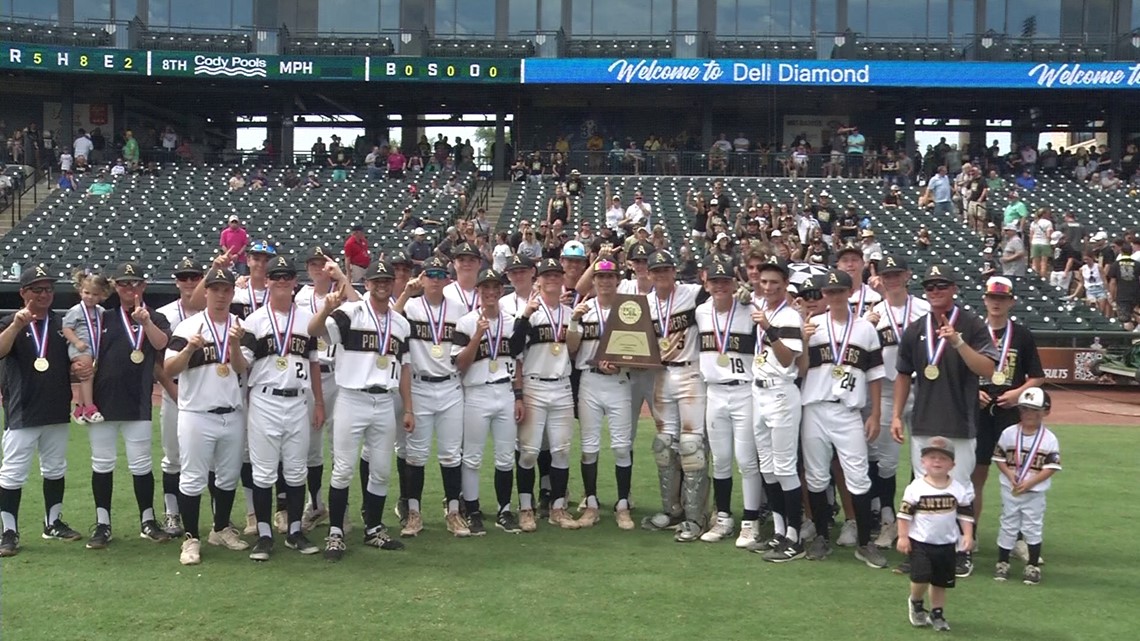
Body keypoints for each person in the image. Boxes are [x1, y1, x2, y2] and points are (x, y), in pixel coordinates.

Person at [891, 264, 998, 578]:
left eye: (941, 285)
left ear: (954, 288)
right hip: (923, 420)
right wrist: (897, 415)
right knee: (922, 487)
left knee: (960, 489)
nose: (935, 291)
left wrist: (958, 343)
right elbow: (901, 375)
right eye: (930, 287)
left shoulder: (972, 324)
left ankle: (962, 549)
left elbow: (988, 370)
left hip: (959, 422)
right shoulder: (915, 329)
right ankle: (918, 549)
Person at [308, 259, 410, 561]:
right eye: (376, 280)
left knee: (380, 469)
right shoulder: (349, 313)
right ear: (366, 285)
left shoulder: (400, 323)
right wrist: (326, 308)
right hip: (352, 397)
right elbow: (314, 331)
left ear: (392, 284)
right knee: (343, 469)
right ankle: (336, 532)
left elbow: (404, 368)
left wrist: (409, 409)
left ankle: (374, 528)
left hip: (384, 399)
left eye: (386, 280)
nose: (381, 285)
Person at [798, 269, 886, 568]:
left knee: (858, 475)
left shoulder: (865, 329)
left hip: (849, 411)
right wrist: (801, 340)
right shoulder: (812, 325)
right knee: (817, 475)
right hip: (815, 407)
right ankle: (822, 536)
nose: (834, 296)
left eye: (840, 291)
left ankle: (864, 542)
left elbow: (874, 374)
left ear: (850, 292)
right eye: (829, 292)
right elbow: (799, 370)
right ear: (823, 295)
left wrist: (875, 413)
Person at [238, 256, 323, 561]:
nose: (282, 281)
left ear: (294, 282)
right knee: (263, 472)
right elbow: (242, 365)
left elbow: (314, 363)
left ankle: (295, 531)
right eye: (277, 276)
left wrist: (319, 403)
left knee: (297, 470)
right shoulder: (254, 321)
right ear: (268, 281)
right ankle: (264, 534)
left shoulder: (307, 320)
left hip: (298, 399)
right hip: (264, 399)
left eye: (288, 276)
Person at [164, 268, 249, 565]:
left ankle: (220, 528)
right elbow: (170, 370)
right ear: (207, 292)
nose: (222, 295)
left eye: (227, 289)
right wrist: (189, 349)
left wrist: (236, 344)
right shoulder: (189, 326)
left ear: (232, 293)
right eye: (216, 289)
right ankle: (191, 538)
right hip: (196, 413)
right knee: (192, 479)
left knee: (227, 477)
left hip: (232, 412)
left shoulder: (240, 326)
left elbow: (241, 368)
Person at [0, 266, 87, 557]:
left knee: (55, 469)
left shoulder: (61, 324)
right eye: (37, 289)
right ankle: (8, 531)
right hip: (22, 411)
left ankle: (52, 523)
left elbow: (72, 362)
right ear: (23, 292)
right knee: (12, 474)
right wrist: (15, 325)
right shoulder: (9, 322)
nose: (44, 294)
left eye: (48, 289)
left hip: (55, 409)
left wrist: (80, 366)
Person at [85, 262, 172, 549]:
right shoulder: (103, 317)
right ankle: (102, 522)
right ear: (116, 287)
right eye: (123, 284)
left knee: (141, 465)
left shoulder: (156, 317)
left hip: (137, 402)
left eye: (134, 283)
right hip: (103, 402)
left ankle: (148, 520)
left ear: (143, 286)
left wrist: (145, 321)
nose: (129, 288)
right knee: (102, 464)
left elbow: (161, 345)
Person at [395, 256, 469, 538]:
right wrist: (405, 292)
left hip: (450, 385)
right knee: (415, 456)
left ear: (447, 279)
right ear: (421, 278)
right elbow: (391, 319)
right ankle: (413, 513)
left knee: (451, 454)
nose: (436, 280)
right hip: (420, 386)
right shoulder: (412, 306)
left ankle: (453, 512)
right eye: (430, 274)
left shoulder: (459, 308)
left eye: (440, 274)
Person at [642, 250, 711, 542]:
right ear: (649, 274)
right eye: (656, 271)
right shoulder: (643, 303)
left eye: (666, 270)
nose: (661, 276)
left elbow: (722, 293)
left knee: (692, 446)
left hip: (690, 372)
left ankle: (697, 517)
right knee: (663, 445)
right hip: (661, 375)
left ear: (674, 271)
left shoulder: (693, 293)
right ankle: (672, 509)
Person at [864, 255, 930, 551]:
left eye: (897, 274)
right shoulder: (873, 314)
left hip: (924, 387)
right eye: (887, 274)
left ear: (907, 275)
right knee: (886, 459)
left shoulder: (925, 310)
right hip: (889, 389)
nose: (892, 279)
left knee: (925, 455)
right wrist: (866, 327)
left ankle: (921, 514)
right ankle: (888, 515)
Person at [972, 277, 1045, 543]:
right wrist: (972, 392)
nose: (996, 303)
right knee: (976, 475)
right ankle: (971, 533)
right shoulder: (975, 331)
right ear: (985, 299)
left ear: (1011, 302)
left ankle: (1020, 537)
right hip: (979, 411)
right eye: (992, 298)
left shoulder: (1022, 334)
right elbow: (960, 372)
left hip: (1010, 414)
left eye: (1002, 299)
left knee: (1018, 475)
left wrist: (1017, 394)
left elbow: (1036, 377)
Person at [292, 246, 359, 532]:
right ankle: (316, 502)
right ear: (307, 268)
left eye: (323, 263)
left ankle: (340, 508)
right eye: (313, 263)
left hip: (338, 372)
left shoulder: (342, 293)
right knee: (312, 446)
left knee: (339, 445)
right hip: (311, 373)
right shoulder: (300, 296)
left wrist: (342, 275)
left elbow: (361, 308)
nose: (319, 268)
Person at [566, 258, 635, 530]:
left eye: (610, 277)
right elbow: (572, 348)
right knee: (589, 446)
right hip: (590, 381)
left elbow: (638, 348)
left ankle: (622, 504)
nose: (605, 282)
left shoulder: (628, 309)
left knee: (621, 445)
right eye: (600, 277)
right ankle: (591, 503)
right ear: (593, 281)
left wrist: (622, 363)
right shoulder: (584, 308)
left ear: (617, 280)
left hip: (619, 381)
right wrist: (573, 321)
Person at [694, 259, 759, 546]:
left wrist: (753, 294)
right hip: (714, 391)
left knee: (746, 461)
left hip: (744, 389)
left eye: (725, 281)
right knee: (720, 460)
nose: (720, 286)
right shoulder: (700, 312)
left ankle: (751, 521)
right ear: (706, 283)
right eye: (714, 281)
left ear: (734, 282)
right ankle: (723, 519)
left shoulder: (749, 309)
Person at [454, 268, 524, 534]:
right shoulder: (465, 322)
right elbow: (460, 364)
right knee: (472, 457)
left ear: (501, 290)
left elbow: (518, 362)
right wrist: (477, 337)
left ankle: (504, 510)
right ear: (478, 291)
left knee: (505, 457)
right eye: (486, 288)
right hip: (476, 392)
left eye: (495, 288)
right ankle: (472, 510)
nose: (491, 292)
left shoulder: (513, 321)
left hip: (505, 391)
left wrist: (518, 396)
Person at [509, 258, 575, 531]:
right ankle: (526, 507)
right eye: (547, 275)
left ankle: (558, 507)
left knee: (560, 451)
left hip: (561, 385)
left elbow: (576, 351)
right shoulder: (529, 313)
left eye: (556, 275)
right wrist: (524, 317)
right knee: (528, 453)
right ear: (539, 280)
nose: (552, 279)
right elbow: (513, 350)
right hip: (535, 385)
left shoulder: (571, 313)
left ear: (561, 279)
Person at [896, 437, 976, 632]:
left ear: (952, 464)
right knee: (920, 577)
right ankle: (915, 601)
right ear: (923, 462)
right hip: (921, 542)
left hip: (947, 543)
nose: (937, 462)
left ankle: (937, 613)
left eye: (943, 458)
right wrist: (903, 536)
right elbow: (904, 515)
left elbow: (965, 515)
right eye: (932, 457)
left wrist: (967, 535)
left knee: (941, 581)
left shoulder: (957, 489)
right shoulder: (916, 488)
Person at [153, 257, 205, 538]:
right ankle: (172, 513)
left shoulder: (212, 313)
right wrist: (172, 392)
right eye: (184, 277)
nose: (189, 282)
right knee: (173, 458)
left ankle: (218, 521)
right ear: (176, 281)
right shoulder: (164, 314)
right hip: (175, 391)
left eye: (194, 277)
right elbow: (157, 361)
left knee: (209, 460)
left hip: (204, 392)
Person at [991, 387, 1061, 586]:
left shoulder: (1049, 438)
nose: (1029, 415)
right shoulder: (1009, 433)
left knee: (1033, 526)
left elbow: (1051, 466)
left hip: (1035, 492)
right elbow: (999, 457)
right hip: (1010, 488)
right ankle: (1002, 562)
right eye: (1025, 410)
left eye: (1034, 411)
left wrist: (1031, 482)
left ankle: (1032, 565)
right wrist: (1009, 474)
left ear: (1045, 412)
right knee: (1008, 524)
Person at [61, 271, 111, 424]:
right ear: (80, 291)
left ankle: (79, 409)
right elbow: (66, 328)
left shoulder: (101, 312)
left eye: (95, 294)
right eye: (86, 292)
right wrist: (76, 342)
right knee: (87, 374)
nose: (90, 297)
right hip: (80, 348)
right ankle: (90, 408)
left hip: (93, 349)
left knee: (87, 377)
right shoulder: (76, 310)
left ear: (102, 295)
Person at [1027, 210, 1054, 279]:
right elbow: (1048, 235)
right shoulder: (1048, 223)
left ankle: (1036, 278)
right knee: (1044, 263)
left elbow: (1031, 235)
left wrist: (1031, 244)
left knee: (1035, 263)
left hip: (1035, 242)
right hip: (1045, 243)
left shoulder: (1034, 223)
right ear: (1044, 214)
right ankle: (1042, 278)